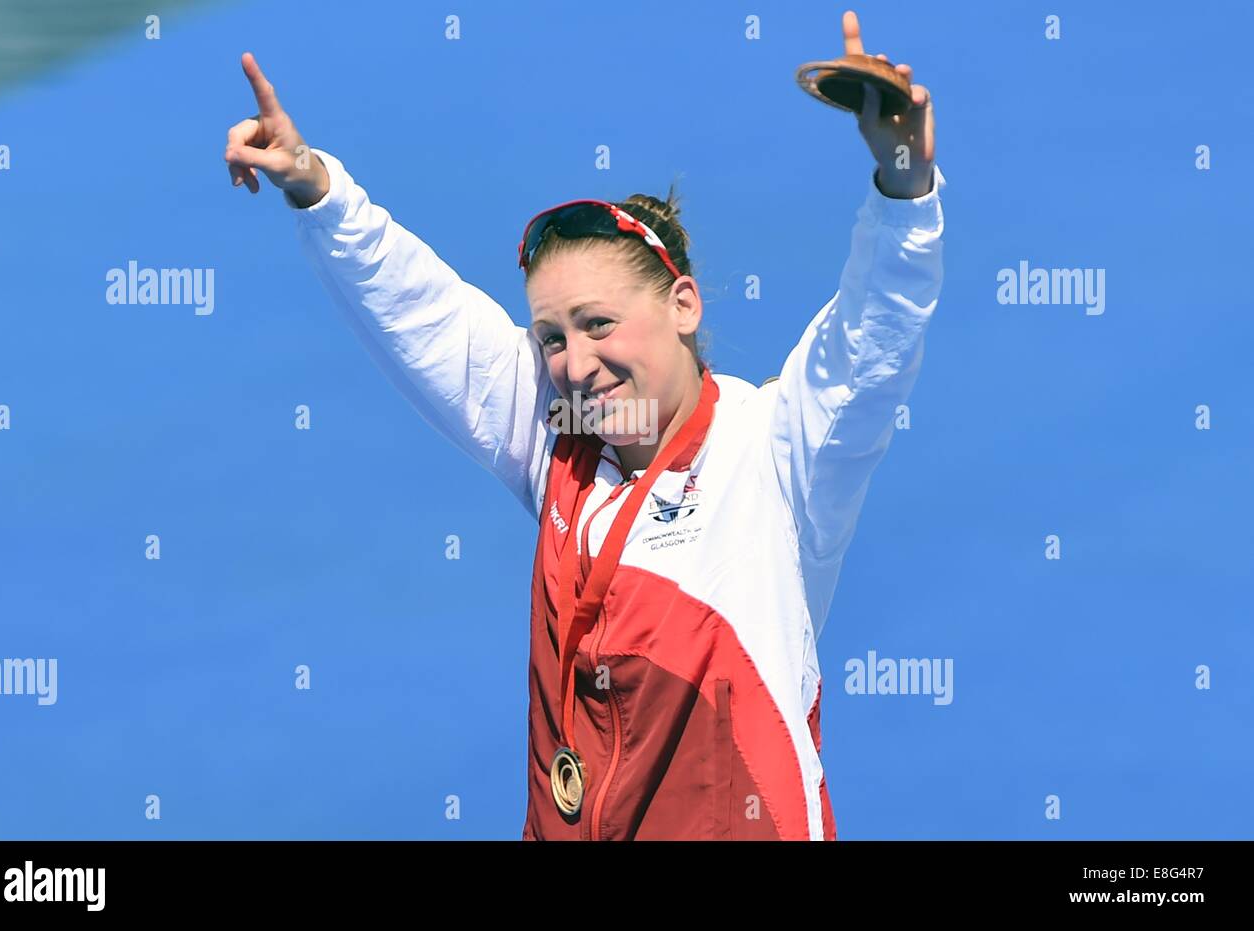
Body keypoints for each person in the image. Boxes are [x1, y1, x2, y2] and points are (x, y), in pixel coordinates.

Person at [223, 9, 944, 840]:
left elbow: (871, 340)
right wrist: (317, 188)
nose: (573, 363)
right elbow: (429, 319)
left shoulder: (776, 454)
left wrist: (903, 182)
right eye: (552, 337)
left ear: (684, 304)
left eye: (600, 325)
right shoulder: (561, 442)